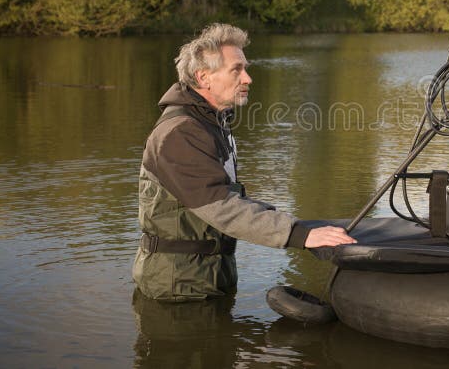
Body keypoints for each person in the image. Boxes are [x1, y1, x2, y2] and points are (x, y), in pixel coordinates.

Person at [133, 23, 355, 301]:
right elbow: (221, 206)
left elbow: (228, 198)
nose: (248, 78)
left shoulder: (211, 122)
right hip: (179, 285)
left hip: (204, 275)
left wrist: (301, 226)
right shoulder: (180, 133)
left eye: (245, 68)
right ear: (204, 78)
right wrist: (300, 236)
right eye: (236, 70)